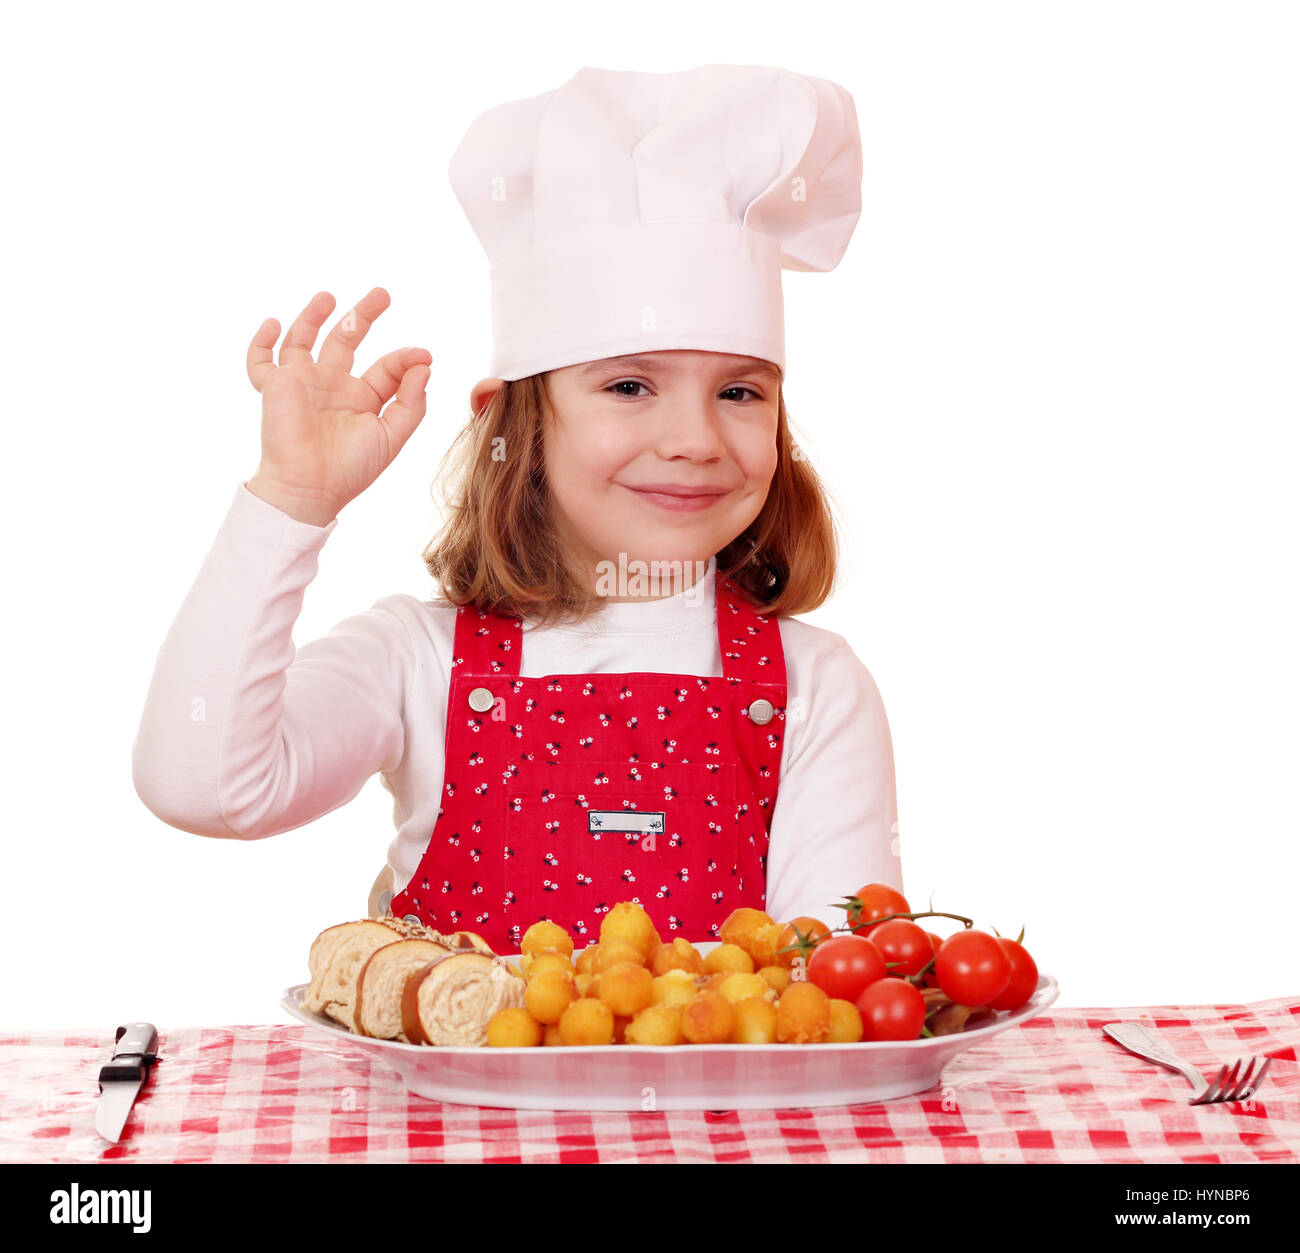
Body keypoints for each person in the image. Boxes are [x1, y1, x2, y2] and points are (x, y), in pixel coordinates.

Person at [132, 64, 903, 954]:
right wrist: (291, 503)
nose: (696, 438)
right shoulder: (413, 658)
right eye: (628, 385)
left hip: (722, 1103)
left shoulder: (815, 688)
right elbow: (200, 786)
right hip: (448, 1105)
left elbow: (829, 992)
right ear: (514, 422)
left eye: (740, 391)